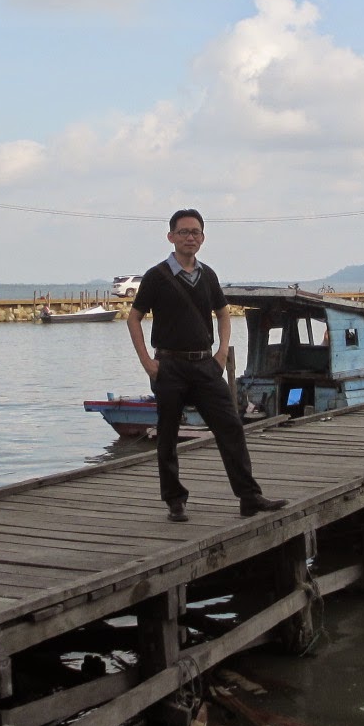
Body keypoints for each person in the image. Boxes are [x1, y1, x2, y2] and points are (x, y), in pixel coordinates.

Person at [127, 209, 285, 523]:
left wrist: (222, 351)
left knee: (231, 427)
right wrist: (147, 362)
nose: (190, 237)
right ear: (170, 236)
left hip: (205, 365)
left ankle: (249, 498)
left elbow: (223, 313)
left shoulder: (208, 275)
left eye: (195, 232)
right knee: (168, 435)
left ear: (203, 238)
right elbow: (134, 318)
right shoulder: (156, 276)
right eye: (183, 232)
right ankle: (175, 501)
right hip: (169, 365)